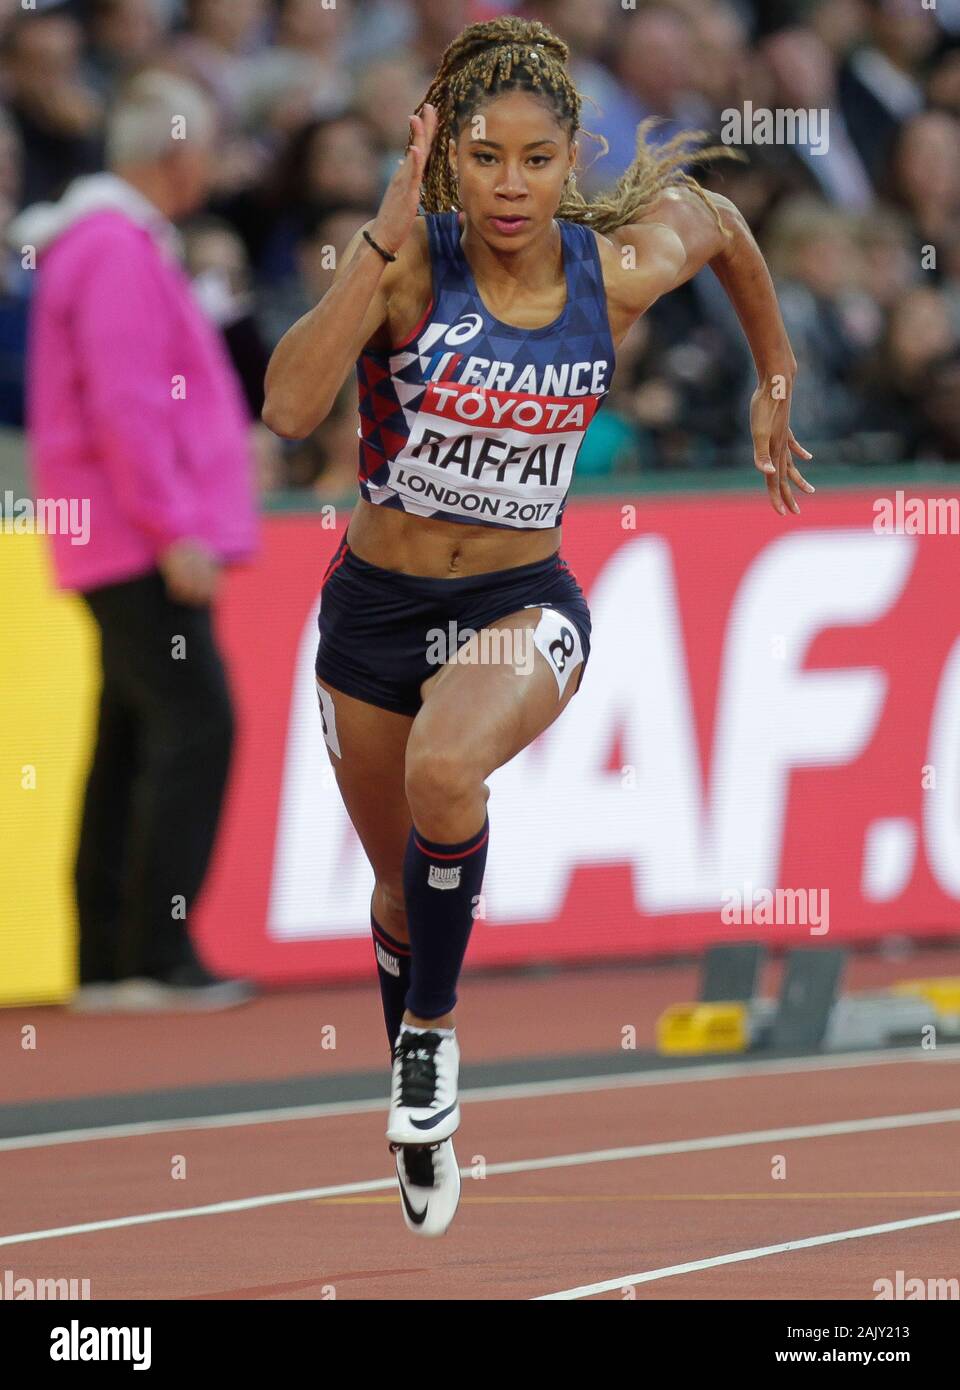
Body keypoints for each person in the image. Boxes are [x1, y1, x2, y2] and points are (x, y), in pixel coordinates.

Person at [262, 16, 813, 1237]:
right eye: (486, 159)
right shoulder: (407, 265)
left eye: (536, 161)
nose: (511, 187)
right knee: (401, 897)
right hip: (373, 609)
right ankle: (425, 1081)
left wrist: (774, 386)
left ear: (570, 165)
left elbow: (720, 227)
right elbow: (292, 402)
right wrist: (384, 229)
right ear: (448, 158)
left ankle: (432, 1045)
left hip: (519, 603)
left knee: (448, 768)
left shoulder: (607, 272)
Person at [14, 71, 259, 1011]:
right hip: (134, 534)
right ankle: (154, 952)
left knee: (130, 734)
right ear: (176, 153)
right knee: (198, 721)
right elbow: (128, 405)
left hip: (116, 532)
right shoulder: (116, 251)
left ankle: (112, 961)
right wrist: (175, 529)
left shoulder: (103, 244)